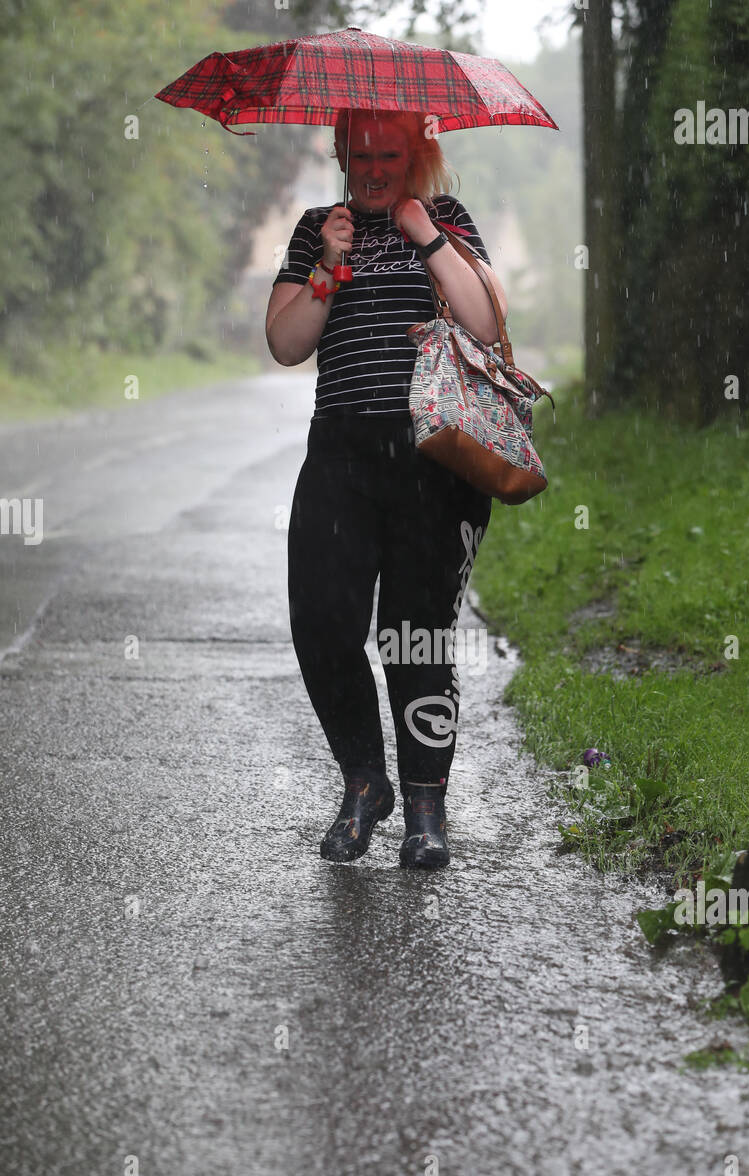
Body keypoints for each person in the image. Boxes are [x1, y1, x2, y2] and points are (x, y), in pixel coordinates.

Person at [265, 108, 508, 870]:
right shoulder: (317, 228)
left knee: (416, 634)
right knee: (322, 623)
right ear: (341, 152)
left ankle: (426, 808)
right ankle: (365, 783)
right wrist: (328, 266)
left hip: (432, 459)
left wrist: (424, 235)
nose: (373, 168)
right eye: (361, 154)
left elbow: (488, 322)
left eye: (390, 156)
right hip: (339, 453)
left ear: (415, 155)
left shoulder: (446, 218)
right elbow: (285, 342)